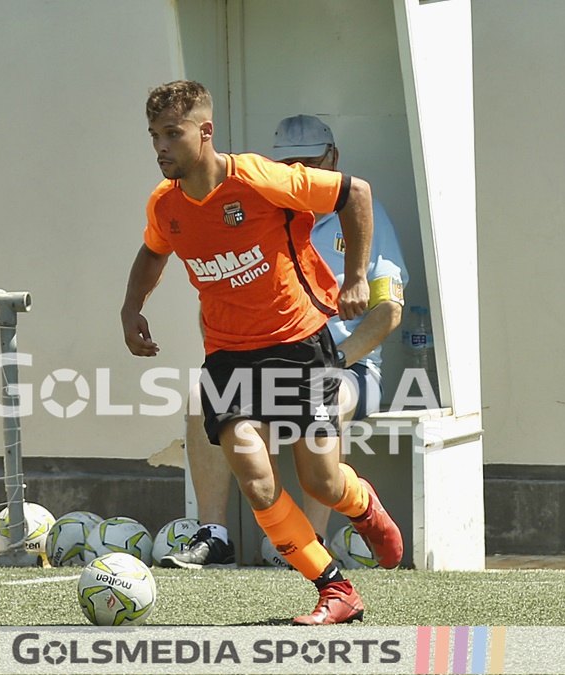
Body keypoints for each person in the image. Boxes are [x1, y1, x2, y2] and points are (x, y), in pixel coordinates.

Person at [121, 81, 402, 625]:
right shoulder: (167, 204)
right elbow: (153, 251)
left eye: (172, 134)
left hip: (301, 347)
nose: (160, 146)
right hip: (228, 359)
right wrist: (131, 309)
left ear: (204, 132)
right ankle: (334, 588)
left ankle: (364, 506)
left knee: (322, 481)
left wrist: (355, 277)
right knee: (253, 472)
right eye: (154, 135)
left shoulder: (260, 178)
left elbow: (356, 194)